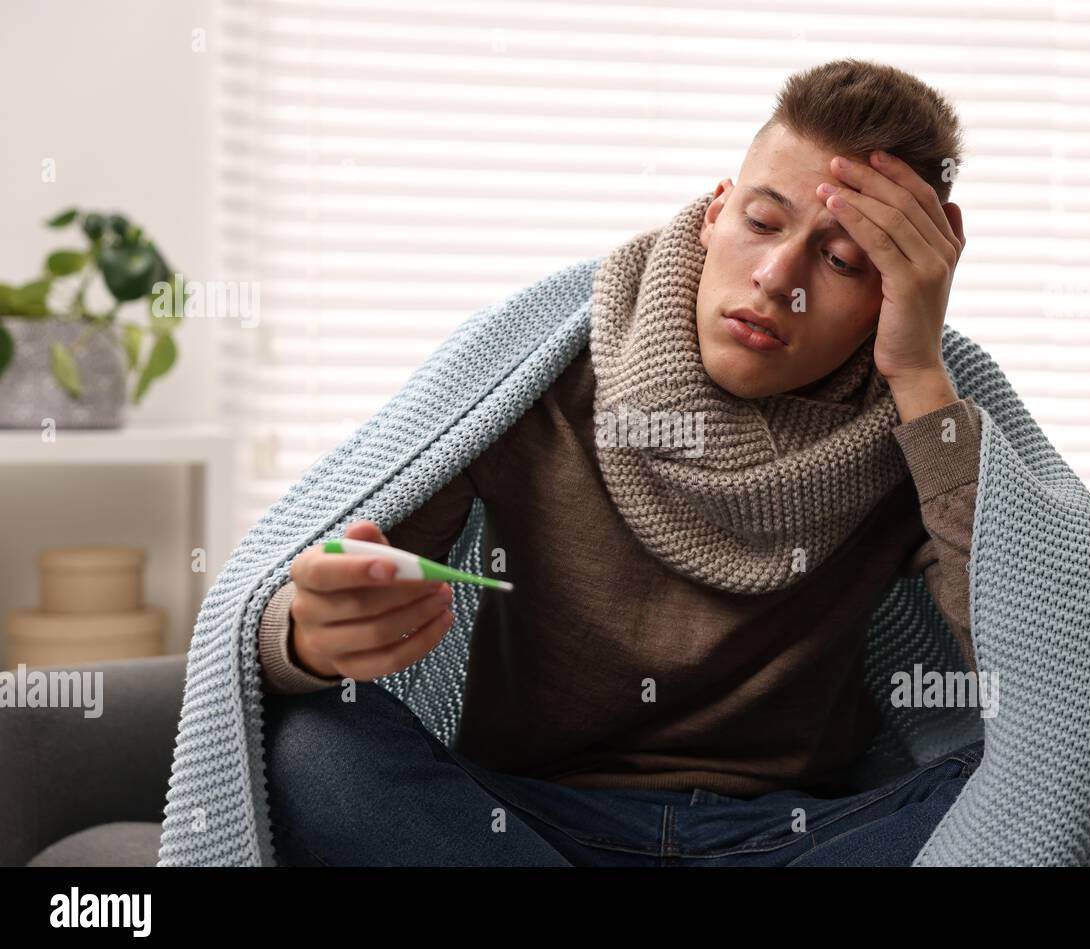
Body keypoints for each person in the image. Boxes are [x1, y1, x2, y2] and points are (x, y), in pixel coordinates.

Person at [258, 58, 984, 866]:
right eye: (763, 222)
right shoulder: (535, 367)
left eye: (844, 262)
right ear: (715, 212)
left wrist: (920, 376)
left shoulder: (919, 417)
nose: (779, 279)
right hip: (523, 827)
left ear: (900, 291)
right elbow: (320, 588)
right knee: (311, 745)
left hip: (794, 840)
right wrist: (305, 635)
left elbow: (1033, 668)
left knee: (1021, 790)